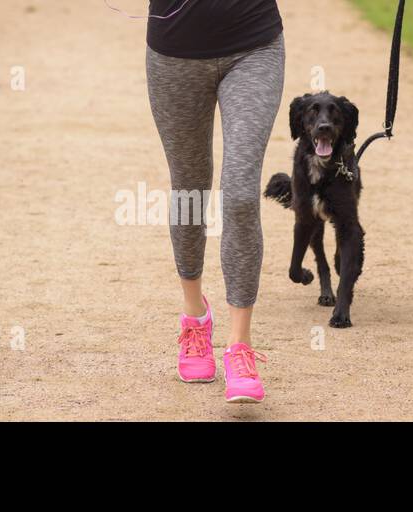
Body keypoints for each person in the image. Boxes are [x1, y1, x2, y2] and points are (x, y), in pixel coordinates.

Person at [141, 0, 285, 403]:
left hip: (254, 46)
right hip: (174, 54)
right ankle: (195, 318)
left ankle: (240, 347)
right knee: (190, 188)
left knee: (240, 193)